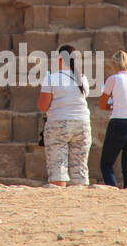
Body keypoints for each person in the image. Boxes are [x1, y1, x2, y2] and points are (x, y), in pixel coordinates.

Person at [36, 44, 91, 186]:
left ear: (60, 59)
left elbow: (43, 105)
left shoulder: (52, 78)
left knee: (58, 167)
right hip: (82, 124)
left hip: (58, 123)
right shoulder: (83, 79)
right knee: (79, 168)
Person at [98, 50, 127, 188]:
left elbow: (102, 104)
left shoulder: (114, 79)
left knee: (106, 164)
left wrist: (111, 105)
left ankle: (112, 191)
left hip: (119, 123)